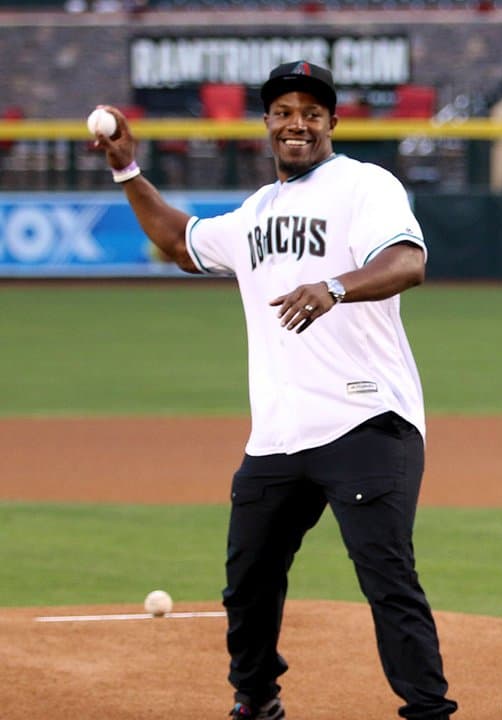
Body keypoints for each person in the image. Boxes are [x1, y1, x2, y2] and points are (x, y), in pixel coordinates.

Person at [88, 60, 458, 720]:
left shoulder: (365, 186)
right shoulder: (257, 213)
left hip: (367, 417)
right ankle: (257, 700)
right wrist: (127, 172)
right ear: (266, 124)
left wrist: (334, 286)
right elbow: (180, 242)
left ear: (331, 124)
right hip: (280, 436)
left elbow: (409, 261)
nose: (297, 123)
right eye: (284, 111)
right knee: (248, 581)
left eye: (311, 113)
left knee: (386, 576)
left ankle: (428, 712)